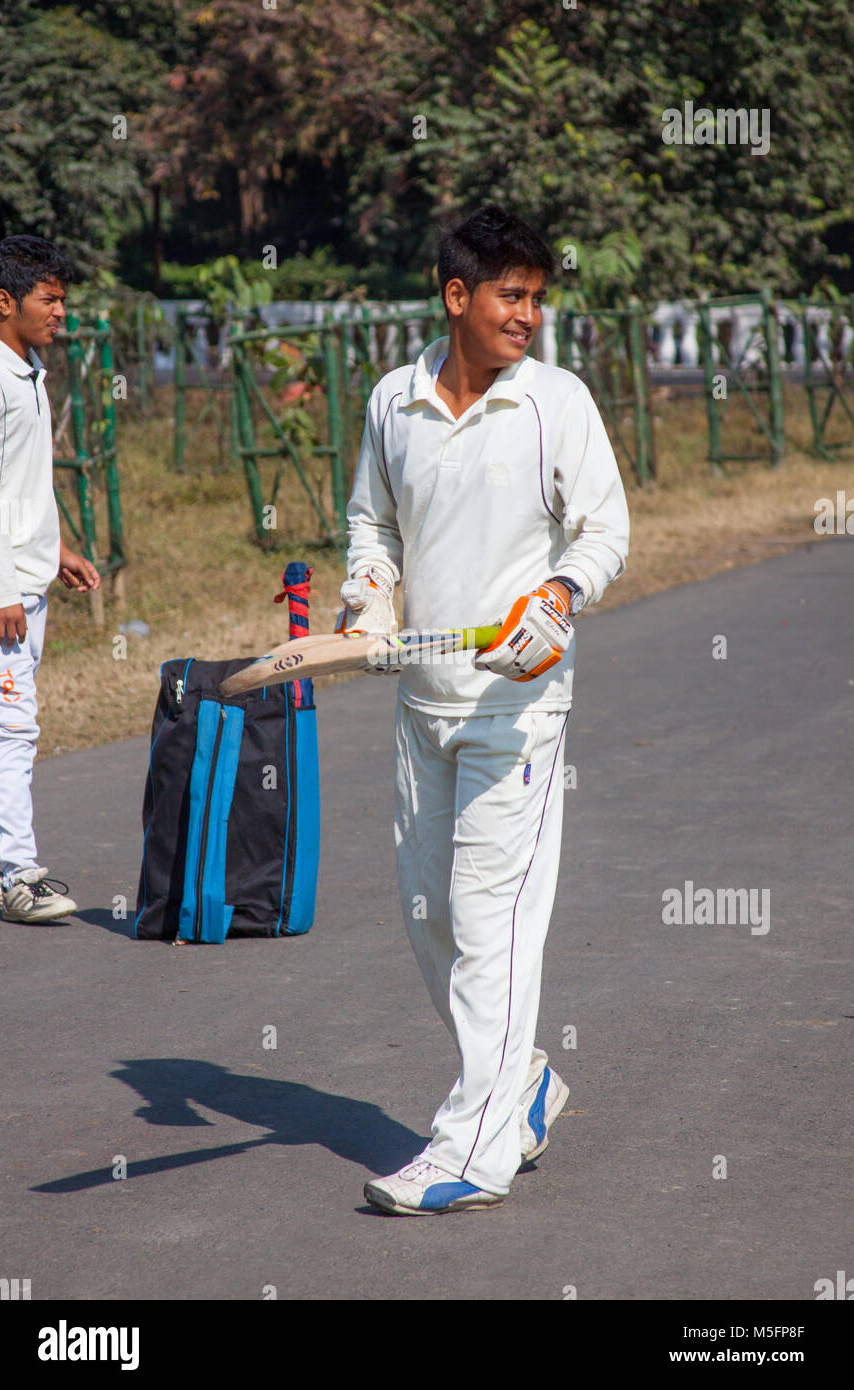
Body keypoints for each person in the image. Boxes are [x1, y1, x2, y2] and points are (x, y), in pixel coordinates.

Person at [338, 204, 630, 1215]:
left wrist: (556, 598)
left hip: (518, 705)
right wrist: (369, 596)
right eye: (512, 295)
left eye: (539, 299)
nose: (529, 317)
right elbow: (371, 522)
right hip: (423, 706)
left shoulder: (554, 402)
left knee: (488, 918)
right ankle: (524, 1083)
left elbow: (603, 530)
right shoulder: (390, 401)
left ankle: (471, 1146)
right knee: (432, 925)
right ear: (456, 296)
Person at [0, 235, 100, 923]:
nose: (61, 312)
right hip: (1, 594)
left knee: (3, 726)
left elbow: (21, 484)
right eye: (48, 300)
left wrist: (58, 547)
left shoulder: (24, 371)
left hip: (27, 581)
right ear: (4, 301)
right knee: (10, 728)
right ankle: (16, 875)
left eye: (63, 300)